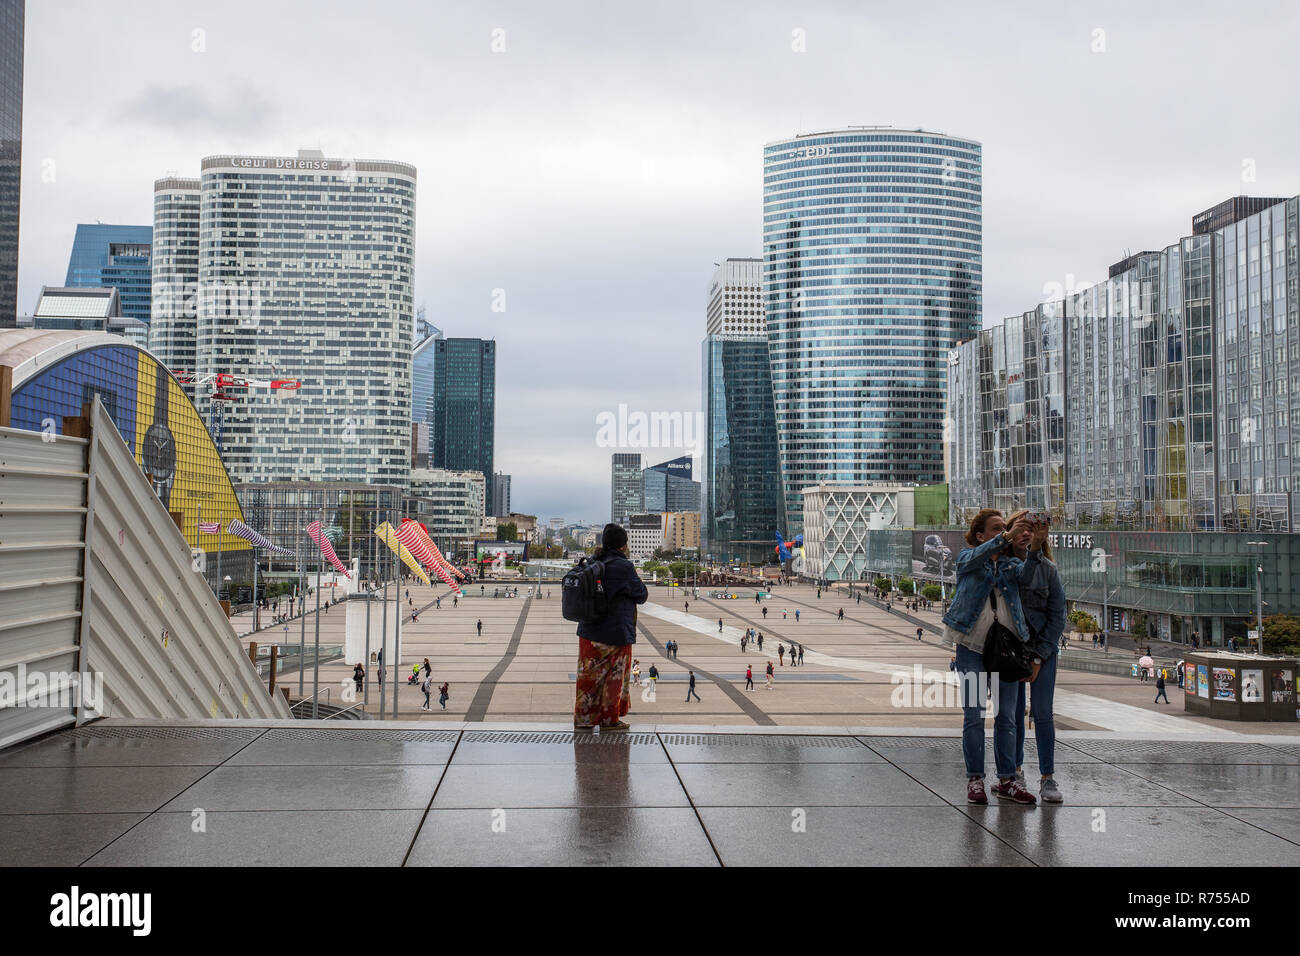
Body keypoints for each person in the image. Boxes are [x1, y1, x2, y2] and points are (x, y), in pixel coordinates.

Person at [942, 508, 1038, 807]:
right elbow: (971, 561)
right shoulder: (968, 560)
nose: (1003, 533)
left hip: (1008, 651)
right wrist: (1004, 539)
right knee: (974, 717)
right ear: (980, 535)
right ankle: (975, 779)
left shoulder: (1013, 565)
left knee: (1007, 718)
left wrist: (1032, 546)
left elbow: (1034, 577)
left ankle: (1008, 779)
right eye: (996, 529)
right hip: (970, 648)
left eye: (1004, 529)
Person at [573, 523, 648, 732]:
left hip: (589, 631)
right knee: (614, 677)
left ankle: (584, 719)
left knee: (588, 678)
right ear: (623, 546)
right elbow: (641, 594)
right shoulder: (624, 567)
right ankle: (609, 720)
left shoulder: (593, 562)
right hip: (616, 632)